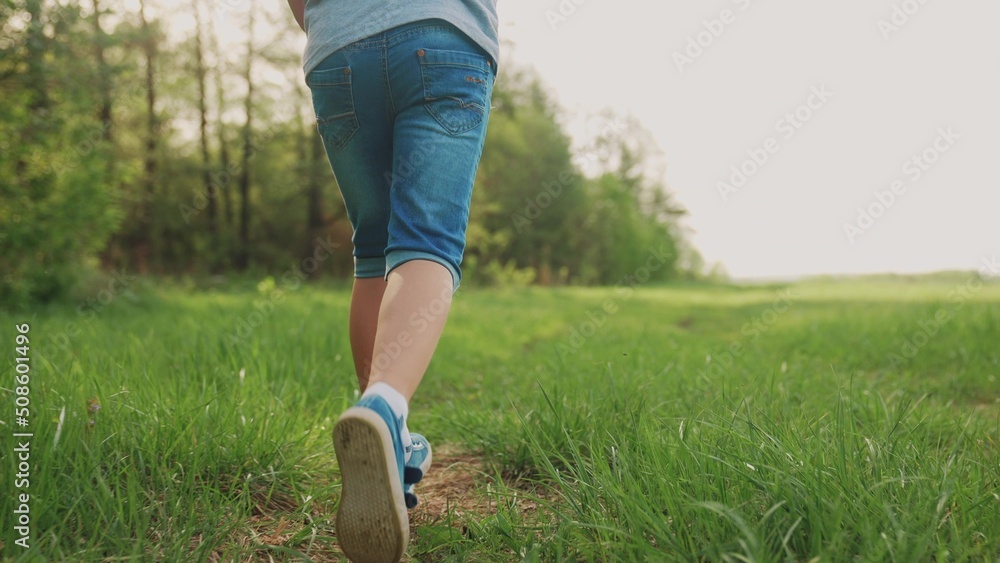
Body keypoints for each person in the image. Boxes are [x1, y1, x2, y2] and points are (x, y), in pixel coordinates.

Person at [285, 1, 499, 561]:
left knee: (374, 248)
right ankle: (384, 409)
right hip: (441, 38)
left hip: (338, 51)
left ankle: (388, 450)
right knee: (426, 241)